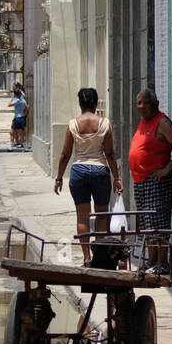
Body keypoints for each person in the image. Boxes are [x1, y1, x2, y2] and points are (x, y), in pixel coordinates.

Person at [53, 88, 123, 265]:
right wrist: (117, 178)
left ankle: (86, 257)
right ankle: (100, 256)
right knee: (101, 215)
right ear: (95, 103)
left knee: (82, 216)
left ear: (80, 104)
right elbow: (110, 154)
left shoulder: (73, 125)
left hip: (79, 172)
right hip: (100, 171)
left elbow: (65, 154)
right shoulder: (105, 124)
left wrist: (59, 178)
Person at [128, 88, 172, 273]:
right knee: (147, 224)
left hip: (155, 181)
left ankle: (162, 263)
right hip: (141, 181)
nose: (142, 106)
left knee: (158, 224)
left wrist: (167, 169)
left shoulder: (162, 122)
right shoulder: (143, 122)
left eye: (146, 102)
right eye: (139, 103)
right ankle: (152, 262)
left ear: (156, 104)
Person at [10, 84, 29, 149]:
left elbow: (9, 105)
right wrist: (25, 115)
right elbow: (27, 108)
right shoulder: (23, 100)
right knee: (22, 133)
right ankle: (24, 147)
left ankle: (12, 147)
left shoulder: (17, 100)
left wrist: (12, 98)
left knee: (13, 132)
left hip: (17, 118)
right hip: (22, 117)